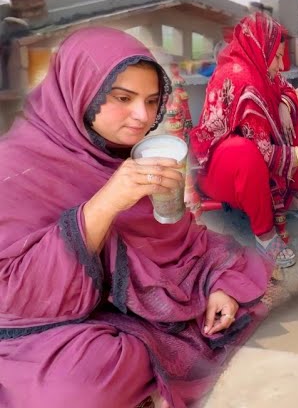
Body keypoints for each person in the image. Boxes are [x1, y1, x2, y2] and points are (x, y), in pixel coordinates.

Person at [0, 28, 271, 408]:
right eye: (123, 99)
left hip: (120, 317)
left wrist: (216, 284)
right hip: (39, 327)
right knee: (75, 388)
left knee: (237, 296)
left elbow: (176, 244)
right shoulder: (13, 167)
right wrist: (105, 202)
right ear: (79, 90)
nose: (142, 117)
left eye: (151, 101)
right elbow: (13, 295)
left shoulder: (122, 154)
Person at [190, 13, 298, 269]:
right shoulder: (243, 80)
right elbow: (261, 153)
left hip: (255, 155)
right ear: (262, 48)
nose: (281, 65)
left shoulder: (259, 65)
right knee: (245, 151)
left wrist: (284, 103)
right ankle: (265, 235)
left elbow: (288, 90)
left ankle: (292, 199)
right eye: (278, 57)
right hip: (223, 170)